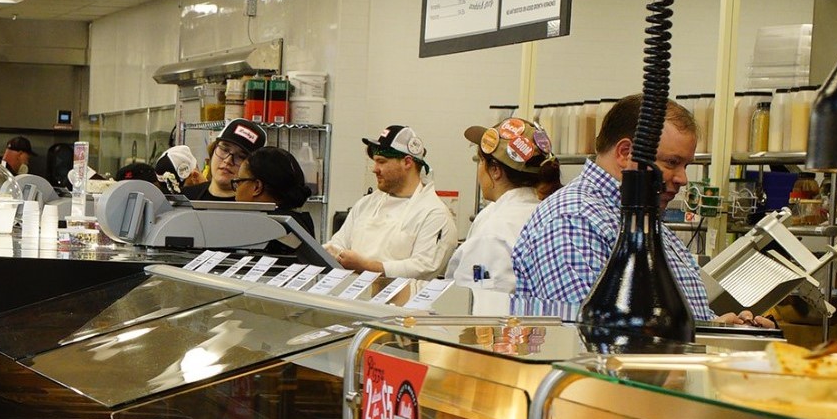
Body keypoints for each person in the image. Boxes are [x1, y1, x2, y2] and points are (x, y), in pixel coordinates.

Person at [512, 94, 773, 326]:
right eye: (672, 162)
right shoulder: (573, 220)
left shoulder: (642, 222)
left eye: (686, 165)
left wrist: (718, 328)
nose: (683, 179)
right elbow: (590, 333)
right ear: (625, 153)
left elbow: (667, 322)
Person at [325, 124, 459, 278]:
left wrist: (366, 267)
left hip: (403, 301)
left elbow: (424, 266)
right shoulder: (366, 204)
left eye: (381, 162)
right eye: (375, 162)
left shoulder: (434, 214)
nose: (374, 169)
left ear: (407, 162)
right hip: (354, 297)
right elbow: (338, 244)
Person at [444, 118, 559, 296]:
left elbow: (478, 303)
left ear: (495, 170)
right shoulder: (545, 212)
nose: (479, 170)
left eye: (481, 162)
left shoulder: (494, 232)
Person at [233, 146, 316, 252]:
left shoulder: (263, 230)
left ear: (257, 187)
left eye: (239, 181)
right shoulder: (297, 223)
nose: (236, 190)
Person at [181, 119, 265, 202]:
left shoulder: (255, 211)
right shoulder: (184, 199)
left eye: (241, 157)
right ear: (213, 149)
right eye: (224, 149)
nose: (228, 161)